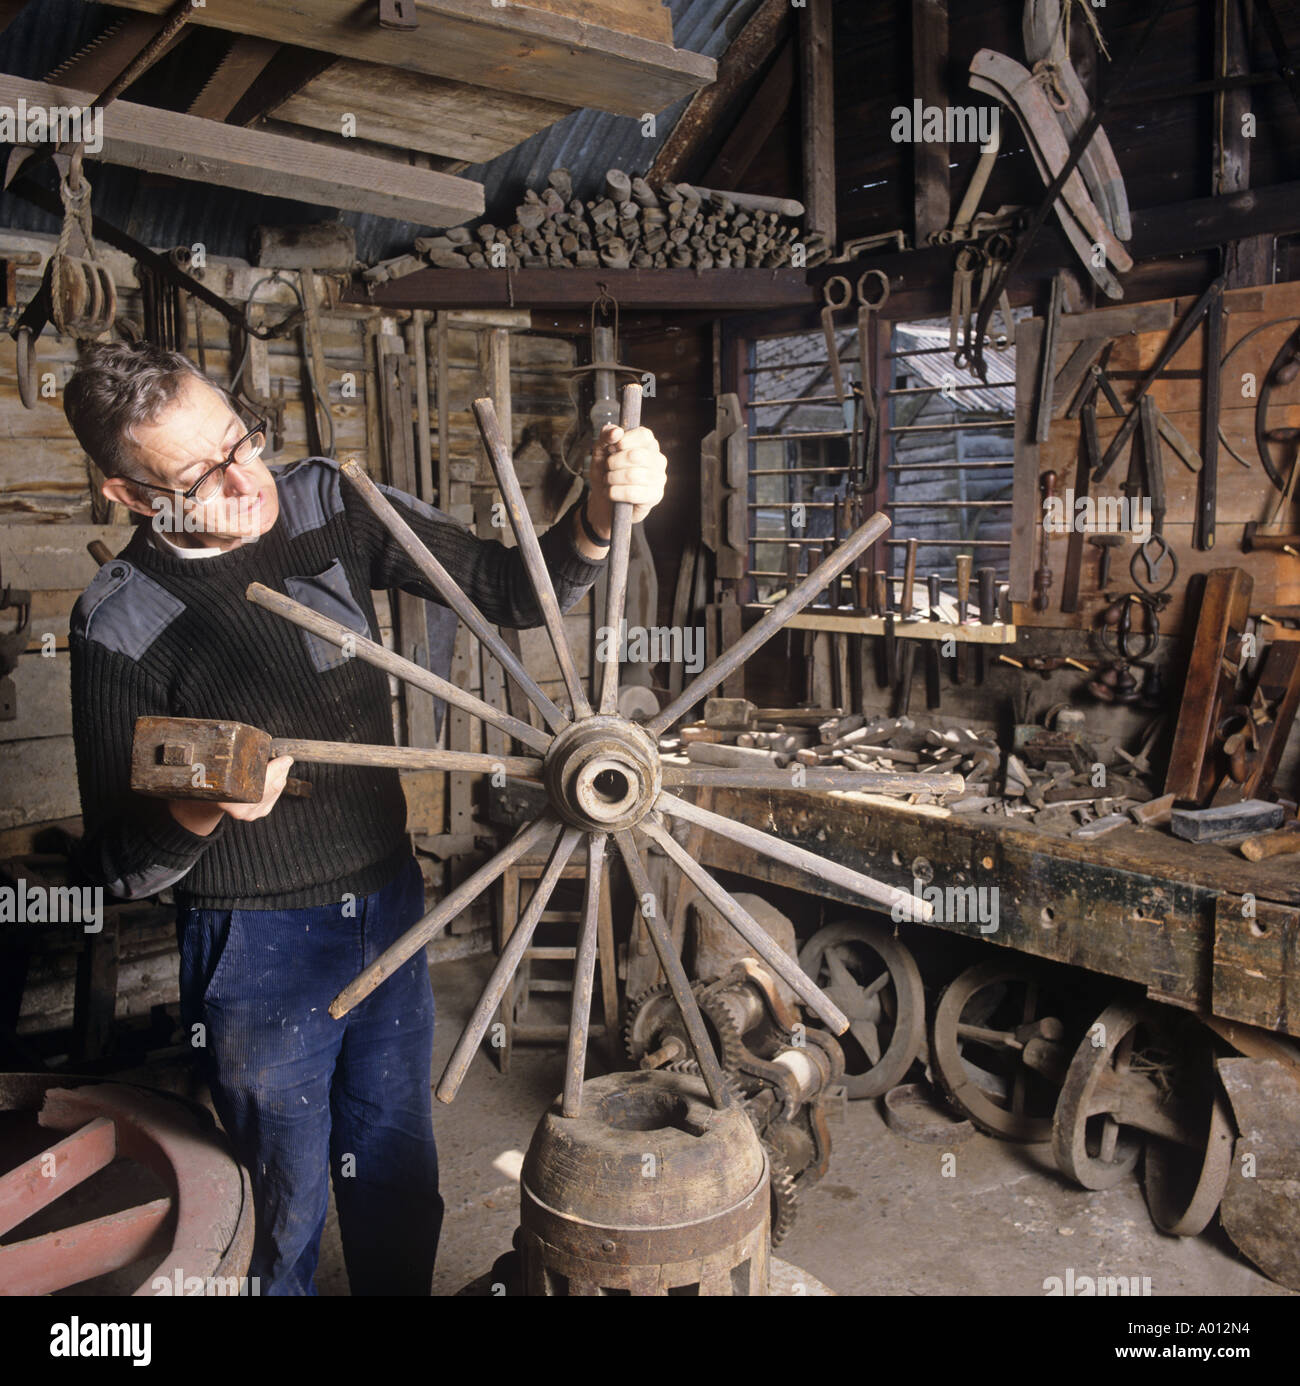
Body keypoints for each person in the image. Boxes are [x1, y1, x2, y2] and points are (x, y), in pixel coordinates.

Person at [63, 340, 667, 1294]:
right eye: (201, 476)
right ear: (134, 497)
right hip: (253, 946)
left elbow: (510, 589)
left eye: (241, 439)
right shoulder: (119, 620)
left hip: (389, 906)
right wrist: (196, 808)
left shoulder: (327, 501)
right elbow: (117, 867)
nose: (245, 480)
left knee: (395, 1174)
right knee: (283, 1201)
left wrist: (599, 512)